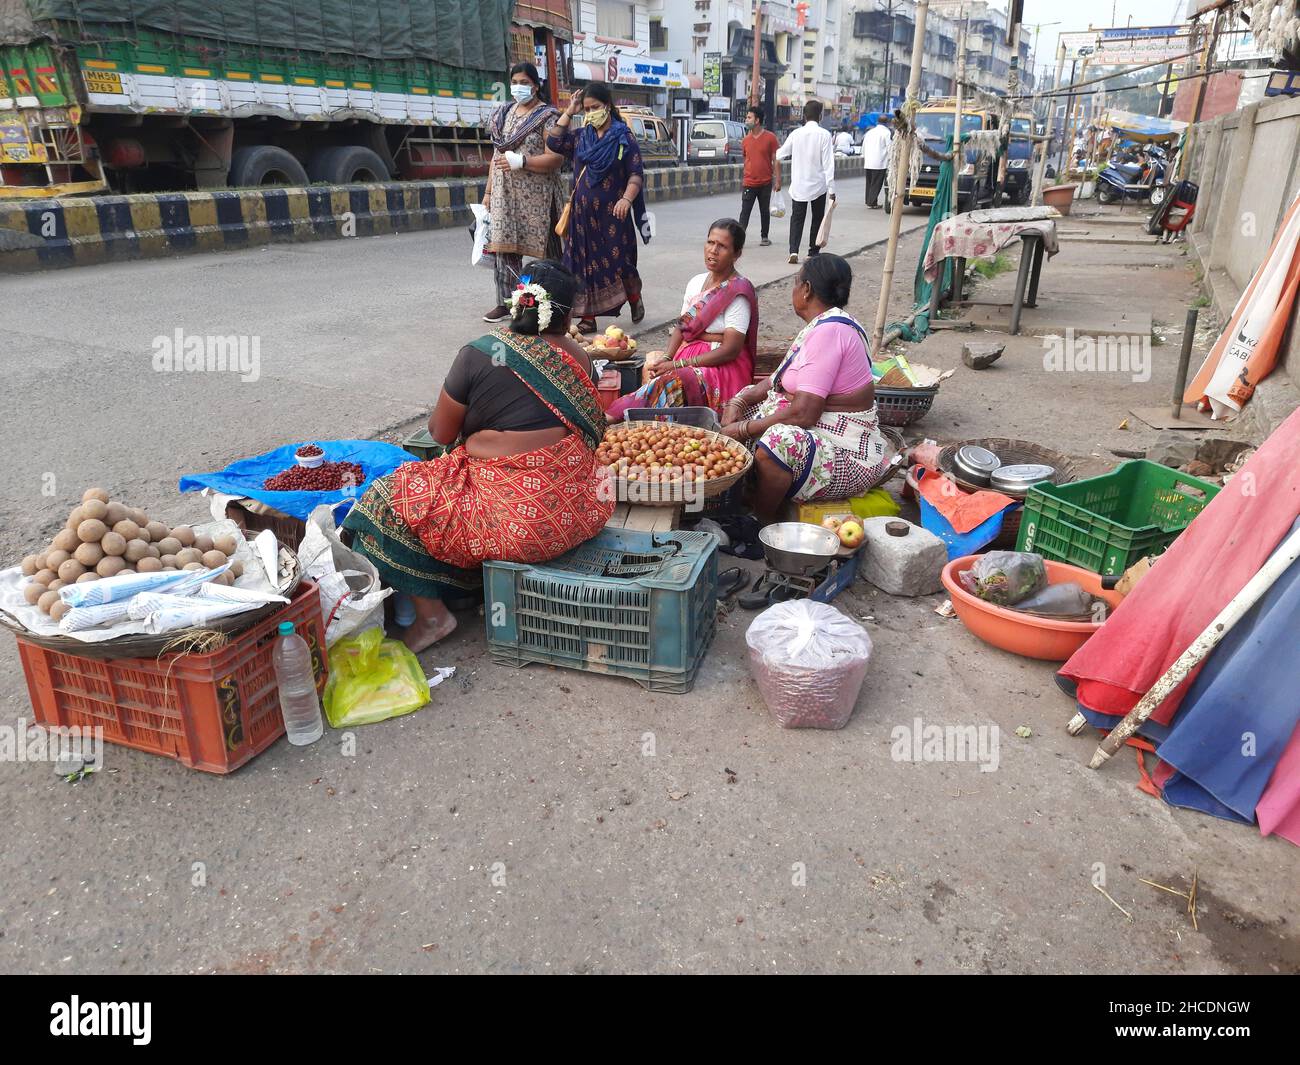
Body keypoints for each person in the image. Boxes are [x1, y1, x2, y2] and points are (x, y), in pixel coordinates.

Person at [343, 261, 614, 652]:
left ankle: (433, 616)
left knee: (385, 499)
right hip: (582, 511)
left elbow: (439, 434)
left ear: (516, 303)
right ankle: (474, 590)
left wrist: (481, 425)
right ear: (568, 314)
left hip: (520, 525)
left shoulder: (479, 354)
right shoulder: (582, 360)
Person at [721, 254, 888, 519]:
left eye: (796, 282)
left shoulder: (830, 332)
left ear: (807, 290)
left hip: (849, 455)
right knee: (741, 405)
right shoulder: (821, 325)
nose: (794, 289)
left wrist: (741, 429)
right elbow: (778, 379)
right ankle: (748, 493)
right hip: (820, 430)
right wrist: (738, 402)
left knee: (779, 443)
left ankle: (761, 521)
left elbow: (804, 414)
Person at [606, 219, 759, 419]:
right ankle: (638, 423)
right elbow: (681, 327)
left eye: (722, 246)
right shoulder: (695, 283)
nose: (713, 250)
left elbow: (730, 350)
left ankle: (621, 418)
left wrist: (678, 365)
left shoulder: (738, 291)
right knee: (653, 368)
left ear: (736, 254)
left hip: (722, 367)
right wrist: (667, 358)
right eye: (710, 242)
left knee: (673, 381)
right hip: (686, 358)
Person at [547, 83, 650, 334]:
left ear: (608, 106)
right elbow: (554, 141)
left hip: (614, 215)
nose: (591, 112)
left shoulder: (623, 138)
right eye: (587, 108)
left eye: (596, 107)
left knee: (619, 262)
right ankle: (588, 317)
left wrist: (626, 200)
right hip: (581, 216)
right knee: (580, 264)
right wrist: (569, 111)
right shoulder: (583, 136)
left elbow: (636, 174)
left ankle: (634, 297)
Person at [480, 62, 566, 324]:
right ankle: (508, 304)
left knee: (550, 253)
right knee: (505, 252)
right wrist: (487, 192)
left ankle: (557, 301)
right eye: (515, 81)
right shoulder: (503, 114)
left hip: (539, 197)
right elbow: (496, 156)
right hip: (505, 194)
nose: (519, 87)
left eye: (525, 82)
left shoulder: (548, 116)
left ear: (536, 85)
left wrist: (523, 161)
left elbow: (556, 158)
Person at [777, 99, 835, 265]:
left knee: (797, 218)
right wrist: (832, 189)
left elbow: (780, 154)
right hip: (819, 185)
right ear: (820, 116)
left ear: (804, 116)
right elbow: (828, 165)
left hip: (799, 185)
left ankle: (793, 250)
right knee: (817, 219)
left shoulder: (796, 134)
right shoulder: (824, 135)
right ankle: (812, 252)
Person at [739, 105, 780, 247]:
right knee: (745, 211)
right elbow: (746, 158)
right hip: (749, 182)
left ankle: (764, 237)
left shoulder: (770, 138)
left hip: (766, 182)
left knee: (764, 211)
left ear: (757, 120)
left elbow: (776, 160)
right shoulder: (745, 140)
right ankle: (739, 238)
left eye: (749, 117)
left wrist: (778, 180)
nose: (746, 120)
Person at [861, 113, 891, 209]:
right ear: (887, 123)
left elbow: (863, 146)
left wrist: (865, 157)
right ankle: (872, 202)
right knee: (876, 183)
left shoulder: (869, 132)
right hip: (880, 162)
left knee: (869, 183)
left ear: (877, 122)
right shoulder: (886, 133)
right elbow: (889, 147)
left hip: (869, 161)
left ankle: (868, 201)